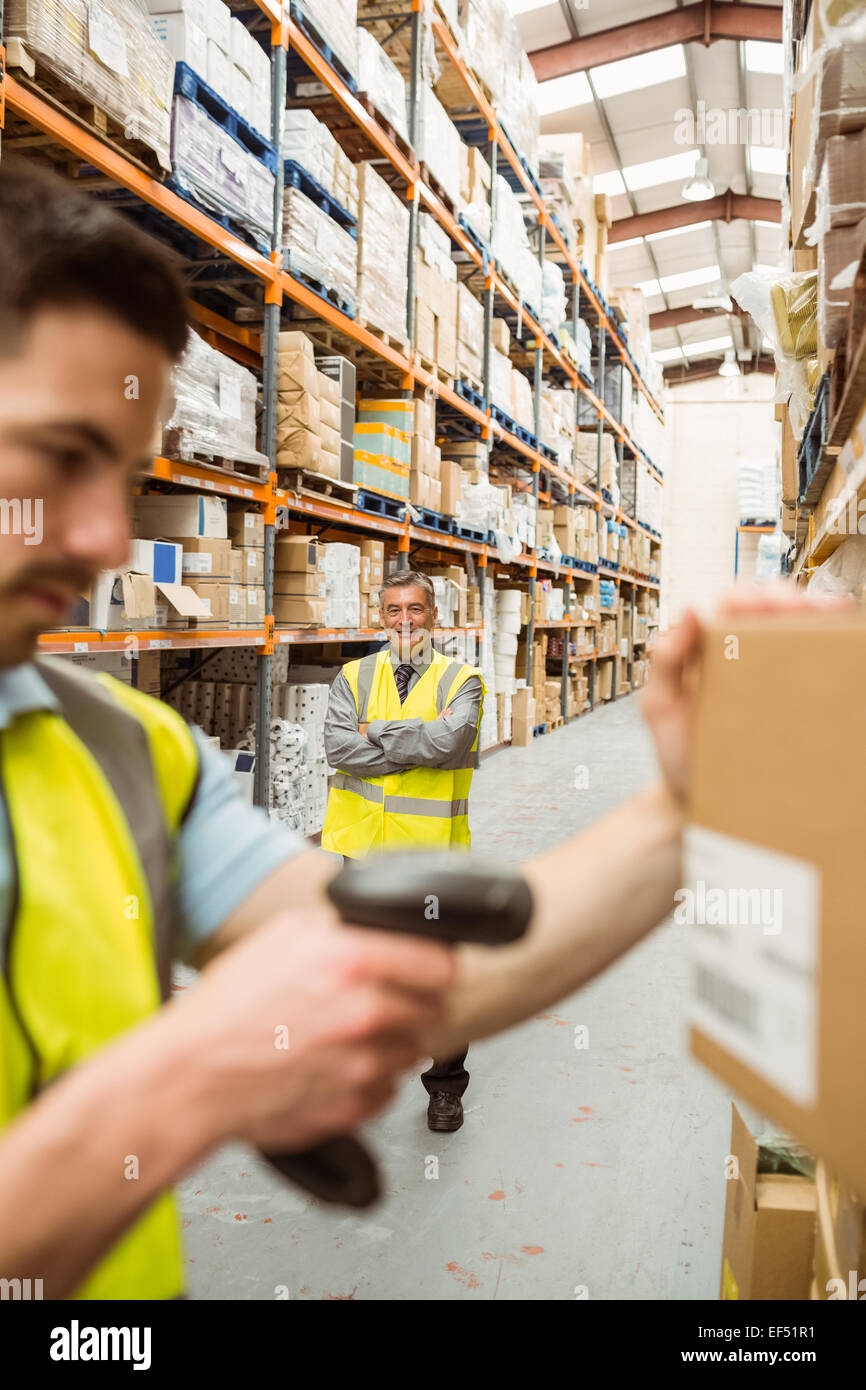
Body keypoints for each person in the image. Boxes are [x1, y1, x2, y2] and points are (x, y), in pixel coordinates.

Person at [0, 159, 741, 1303]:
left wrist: (693, 804)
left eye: (129, 476)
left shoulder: (120, 750)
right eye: (60, 458)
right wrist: (176, 1088)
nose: (109, 538)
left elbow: (403, 979)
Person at [322, 570, 483, 1133]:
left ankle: (445, 1088)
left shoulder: (464, 679)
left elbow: (451, 742)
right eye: (394, 610)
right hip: (363, 847)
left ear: (433, 615)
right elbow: (338, 749)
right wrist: (415, 740)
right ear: (380, 615)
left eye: (416, 610)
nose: (405, 621)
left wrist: (376, 733)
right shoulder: (352, 676)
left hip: (433, 851)